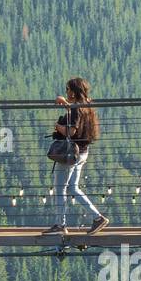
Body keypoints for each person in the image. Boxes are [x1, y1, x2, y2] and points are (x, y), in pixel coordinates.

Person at [45, 77, 111, 235]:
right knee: (73, 187)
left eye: (68, 89)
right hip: (82, 152)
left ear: (73, 92)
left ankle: (60, 225)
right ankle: (97, 217)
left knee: (60, 188)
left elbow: (71, 131)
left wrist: (57, 126)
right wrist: (67, 105)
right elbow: (77, 117)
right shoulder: (86, 105)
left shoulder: (76, 108)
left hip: (70, 154)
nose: (66, 92)